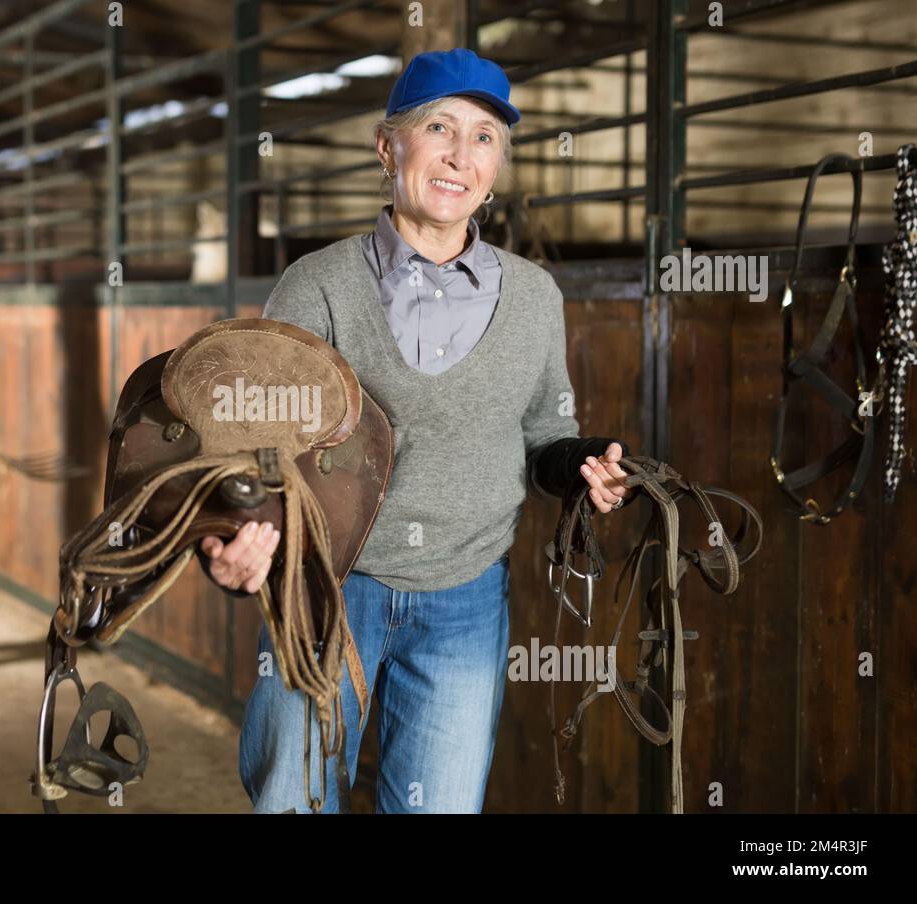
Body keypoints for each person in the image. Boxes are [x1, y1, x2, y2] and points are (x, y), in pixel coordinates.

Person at [201, 49, 637, 813]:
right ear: (387, 145)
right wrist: (230, 544)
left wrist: (581, 465)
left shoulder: (535, 296)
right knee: (290, 800)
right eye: (437, 127)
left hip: (465, 599)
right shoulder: (319, 285)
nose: (459, 156)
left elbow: (544, 433)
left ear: (498, 164)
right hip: (327, 589)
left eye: (484, 137)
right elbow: (252, 451)